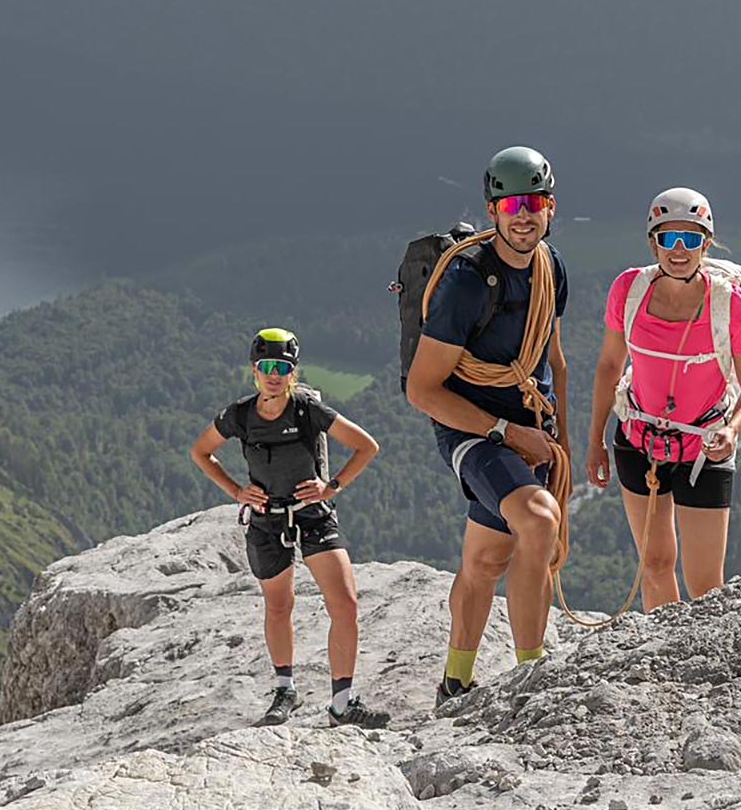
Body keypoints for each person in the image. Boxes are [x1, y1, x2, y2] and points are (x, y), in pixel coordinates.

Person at [405, 146, 570, 706]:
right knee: (538, 519)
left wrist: (561, 440)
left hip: (528, 425)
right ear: (492, 210)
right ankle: (532, 674)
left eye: (534, 202)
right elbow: (421, 389)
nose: (523, 215)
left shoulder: (551, 269)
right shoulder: (469, 284)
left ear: (551, 208)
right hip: (472, 430)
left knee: (484, 560)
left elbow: (553, 361)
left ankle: (455, 681)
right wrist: (506, 432)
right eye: (510, 204)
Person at [190, 328, 390, 728]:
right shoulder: (240, 415)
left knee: (346, 605)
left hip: (312, 515)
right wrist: (235, 491)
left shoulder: (307, 410)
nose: (274, 375)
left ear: (293, 371)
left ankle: (342, 703)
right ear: (255, 370)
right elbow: (201, 451)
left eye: (282, 367)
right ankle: (285, 690)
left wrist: (330, 487)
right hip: (268, 521)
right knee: (279, 606)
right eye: (267, 367)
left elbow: (367, 446)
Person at [585, 187, 741, 610]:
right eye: (668, 238)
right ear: (653, 242)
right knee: (655, 563)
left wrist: (732, 431)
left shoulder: (731, 307)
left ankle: (705, 670)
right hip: (637, 442)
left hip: (704, 447)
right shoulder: (628, 292)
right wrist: (595, 439)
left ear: (707, 242)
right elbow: (610, 366)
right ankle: (661, 659)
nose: (679, 249)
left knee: (705, 585)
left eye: (690, 238)